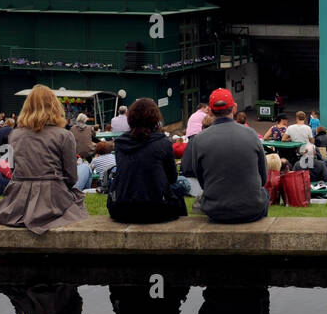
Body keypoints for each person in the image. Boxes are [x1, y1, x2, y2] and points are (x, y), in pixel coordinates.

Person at [0, 84, 87, 233]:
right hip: (52, 198)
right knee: (79, 194)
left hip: (18, 197)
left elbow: (11, 169)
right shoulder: (64, 135)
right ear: (55, 106)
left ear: (27, 107)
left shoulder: (14, 135)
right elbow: (72, 177)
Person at [181, 88, 268, 224]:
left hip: (215, 210)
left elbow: (202, 180)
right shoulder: (251, 134)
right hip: (250, 210)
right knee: (264, 193)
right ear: (234, 108)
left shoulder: (199, 139)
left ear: (209, 111)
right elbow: (263, 178)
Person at [107, 98, 189, 223]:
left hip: (121, 208)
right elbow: (172, 178)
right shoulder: (163, 143)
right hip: (157, 209)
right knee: (181, 184)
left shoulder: (120, 143)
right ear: (155, 119)